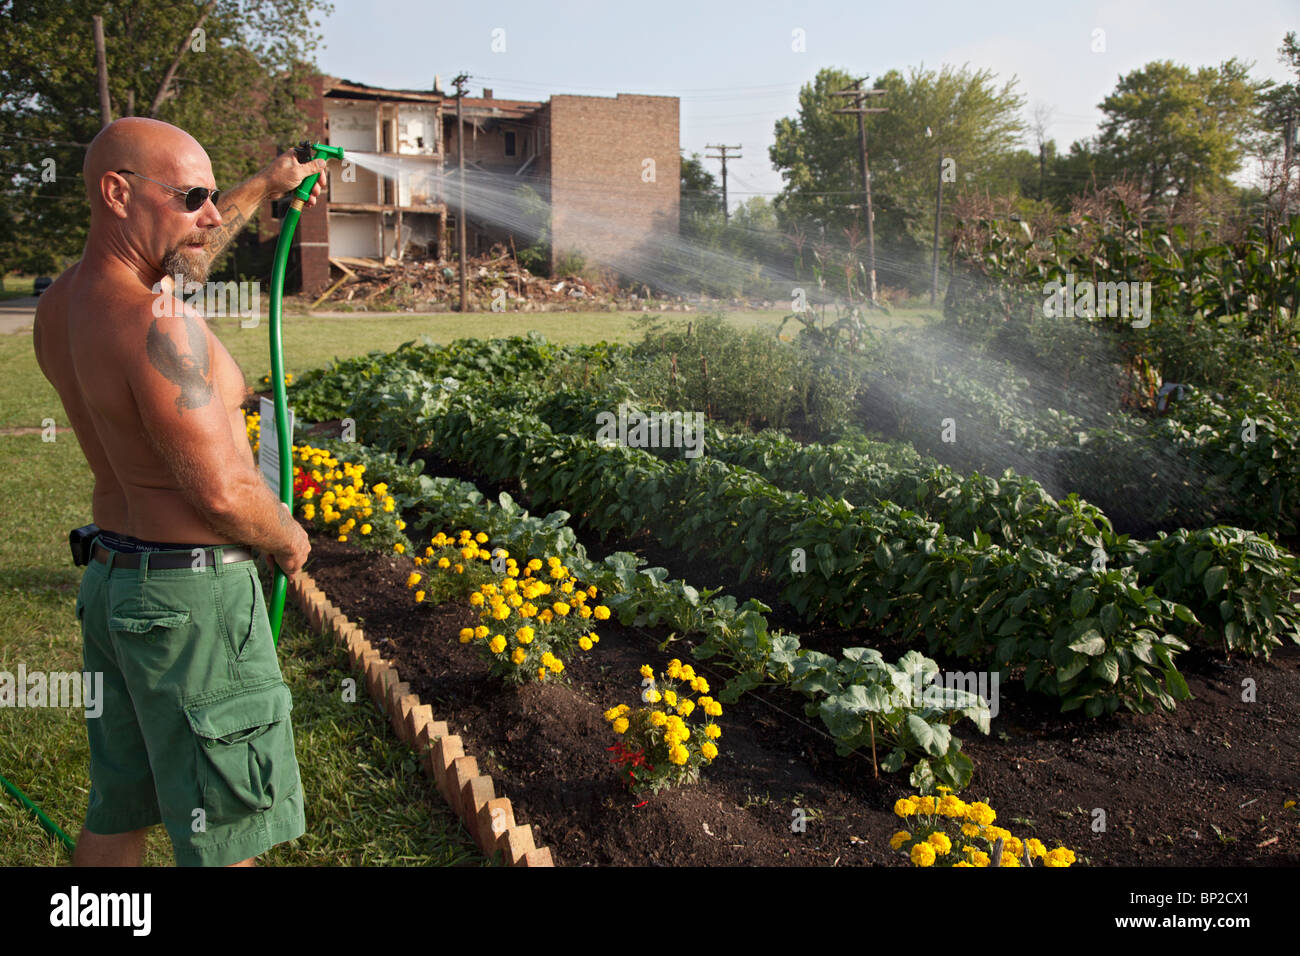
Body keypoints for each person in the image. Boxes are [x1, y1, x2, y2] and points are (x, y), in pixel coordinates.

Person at [32, 116, 324, 867]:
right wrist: (289, 537)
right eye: (193, 196)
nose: (212, 215)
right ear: (117, 191)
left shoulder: (65, 303)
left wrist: (267, 183)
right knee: (227, 837)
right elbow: (224, 491)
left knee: (117, 813)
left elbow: (182, 259)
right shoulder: (162, 326)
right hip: (190, 610)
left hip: (115, 587)